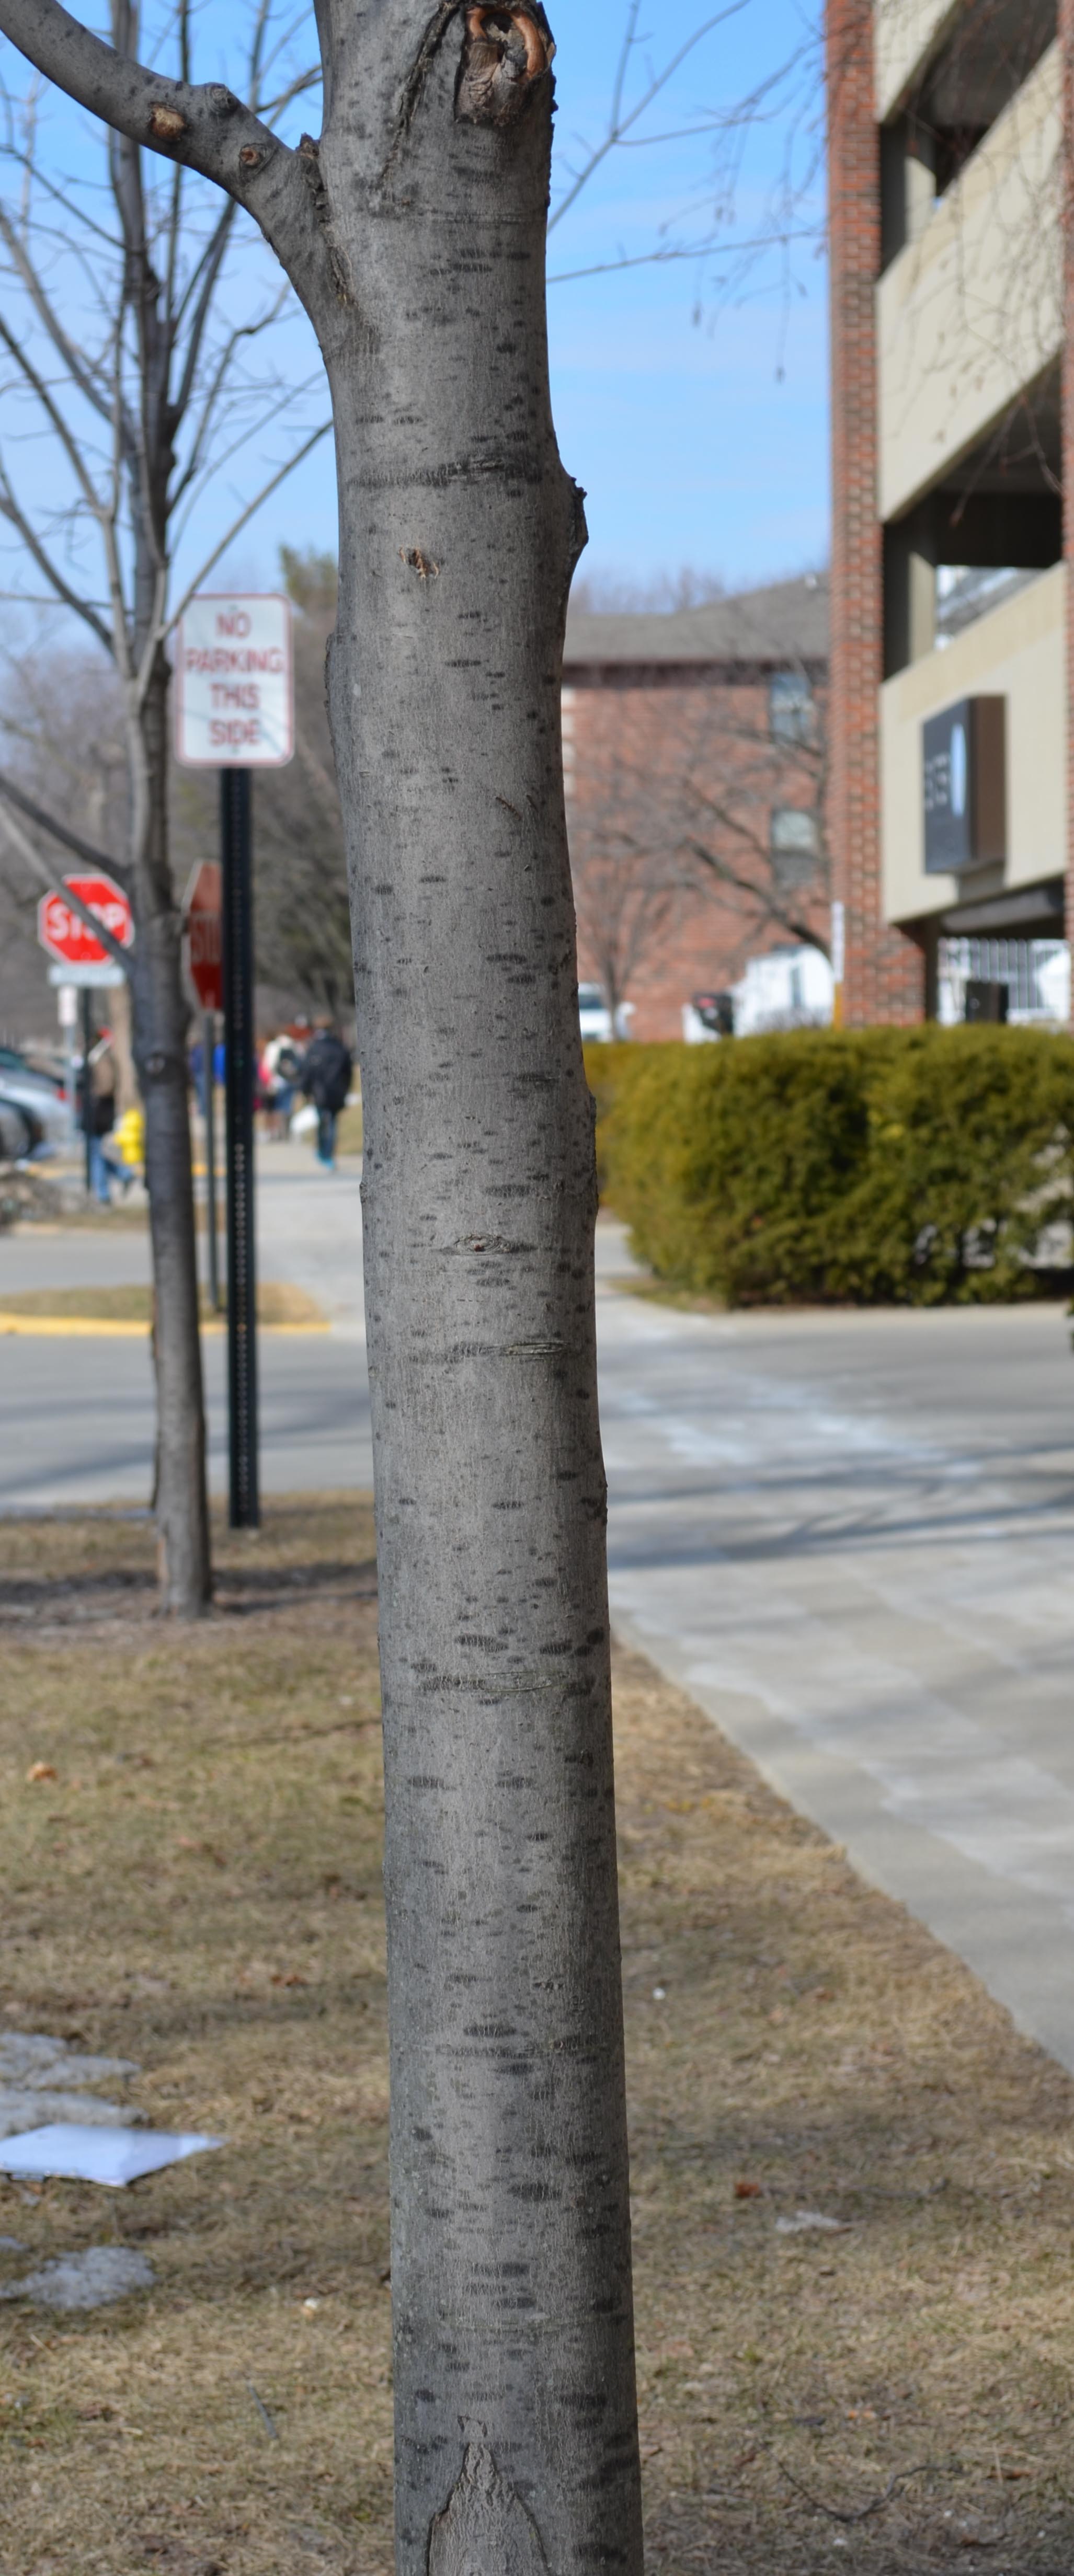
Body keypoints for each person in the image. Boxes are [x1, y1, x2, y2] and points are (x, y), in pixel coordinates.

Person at [298, 1019, 353, 1169]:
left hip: (320, 1091)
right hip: (337, 1091)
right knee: (332, 1123)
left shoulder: (315, 1048)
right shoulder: (339, 1047)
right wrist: (346, 1089)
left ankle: (323, 1152)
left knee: (322, 1122)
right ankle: (328, 1154)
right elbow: (348, 1072)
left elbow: (307, 1071)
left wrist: (305, 1090)